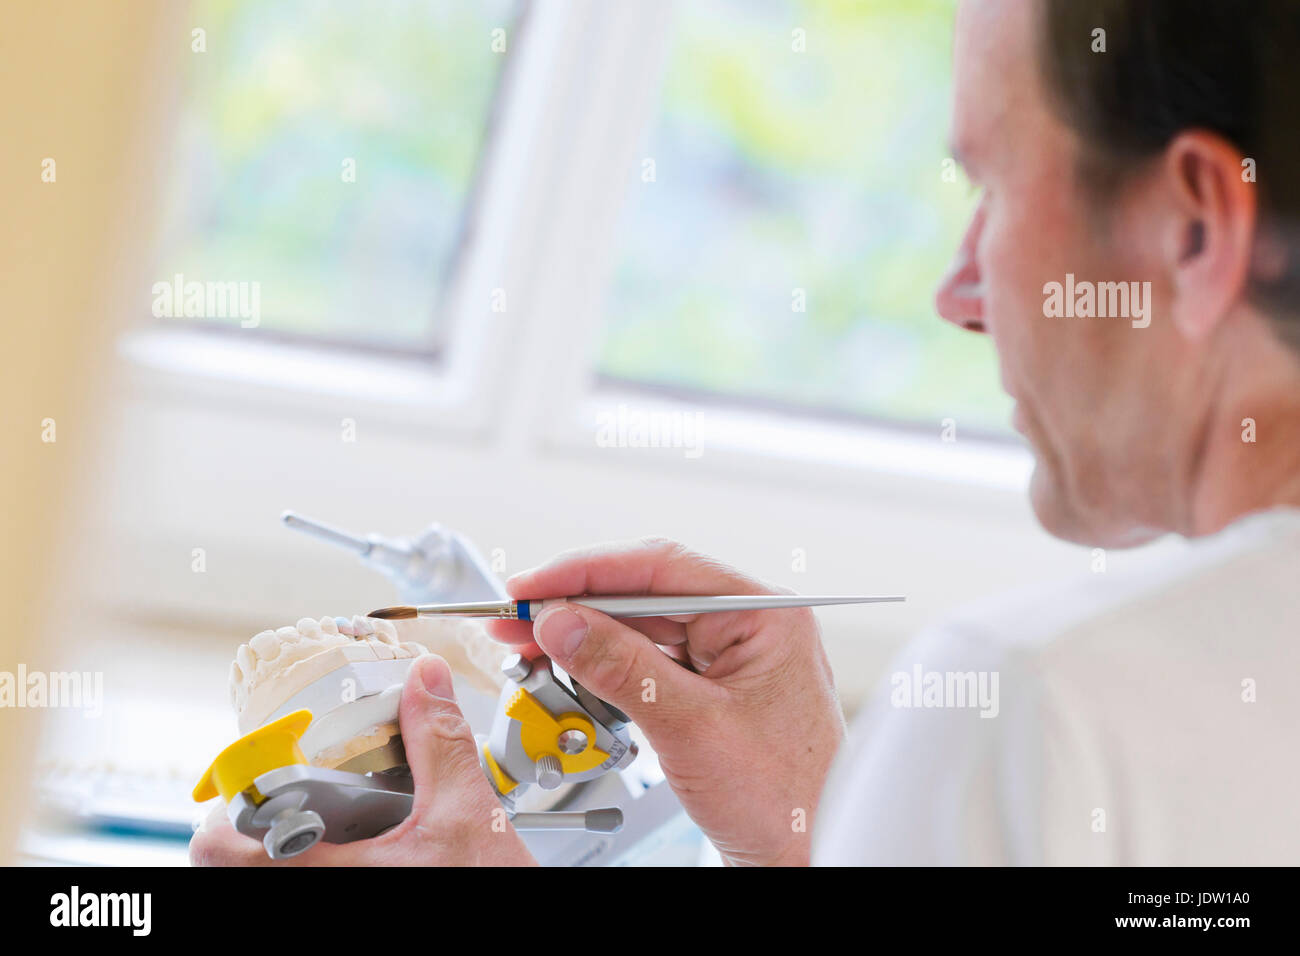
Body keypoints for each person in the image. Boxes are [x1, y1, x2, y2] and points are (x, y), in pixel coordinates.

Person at [191, 0, 1300, 866]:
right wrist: (811, 830)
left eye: (994, 189)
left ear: (1195, 227)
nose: (958, 292)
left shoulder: (1036, 700)